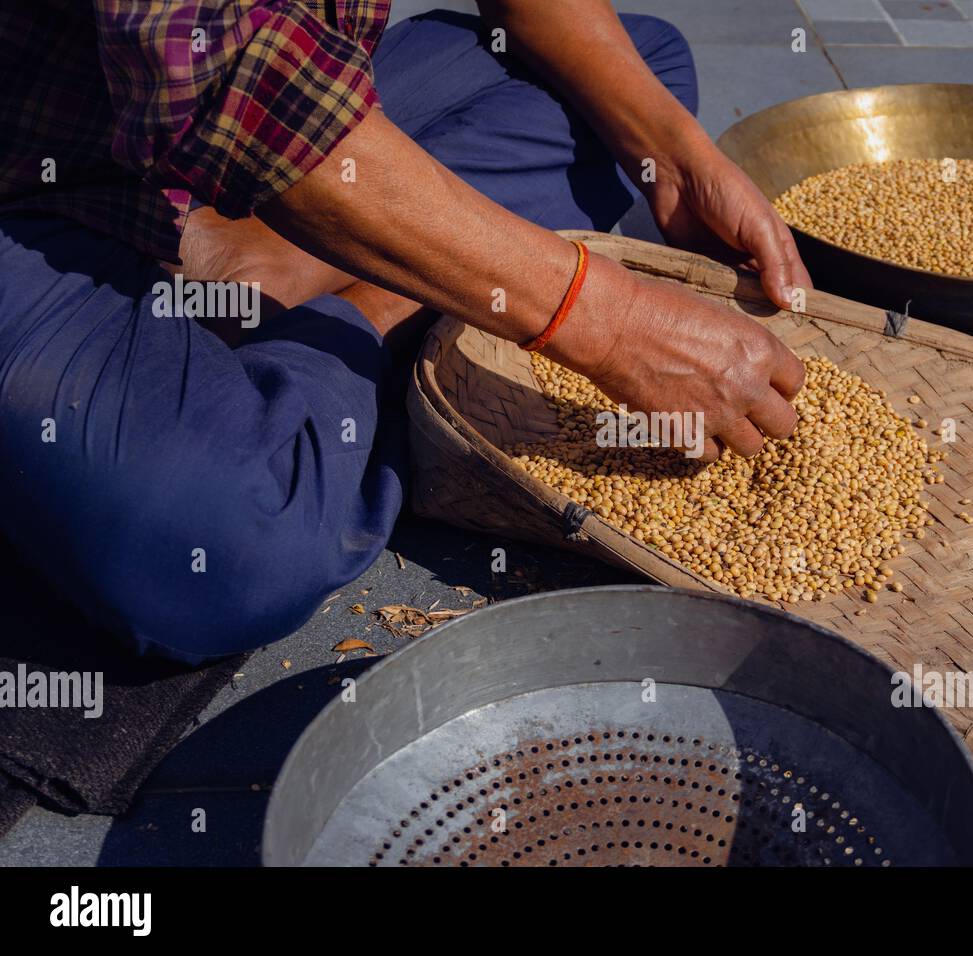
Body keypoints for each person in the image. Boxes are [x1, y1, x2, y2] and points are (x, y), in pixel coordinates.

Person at [0, 1, 811, 663]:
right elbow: (226, 69)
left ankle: (287, 246)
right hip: (37, 189)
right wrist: (608, 323)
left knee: (641, 72)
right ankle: (365, 291)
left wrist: (672, 158)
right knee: (226, 549)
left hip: (255, 132)